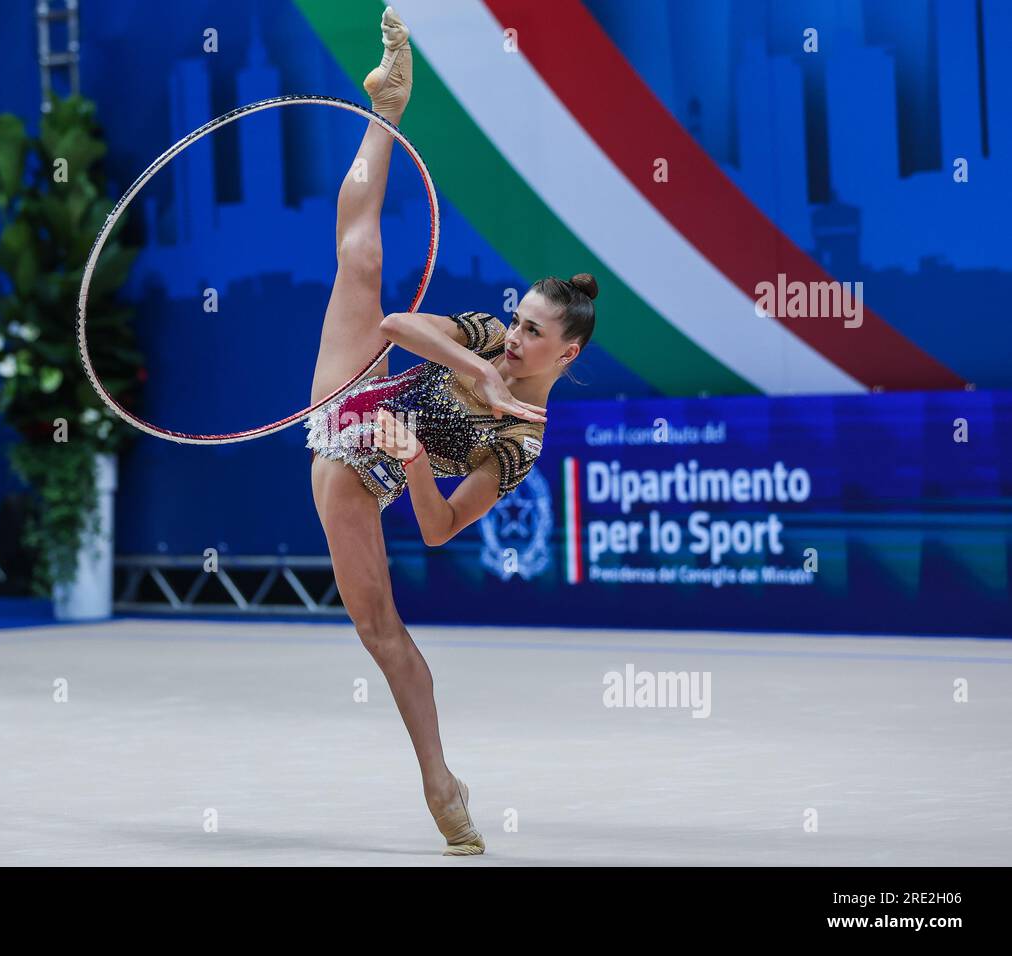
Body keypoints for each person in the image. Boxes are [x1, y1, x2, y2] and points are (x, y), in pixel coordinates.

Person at [304, 6, 598, 855]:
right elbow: (396, 325)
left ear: (566, 352)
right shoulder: (485, 339)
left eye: (536, 333)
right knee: (360, 259)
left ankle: (442, 784)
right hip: (352, 391)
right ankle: (385, 108)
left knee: (383, 636)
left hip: (364, 476)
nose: (518, 334)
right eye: (520, 319)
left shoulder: (523, 446)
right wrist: (477, 371)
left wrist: (412, 462)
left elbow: (435, 529)